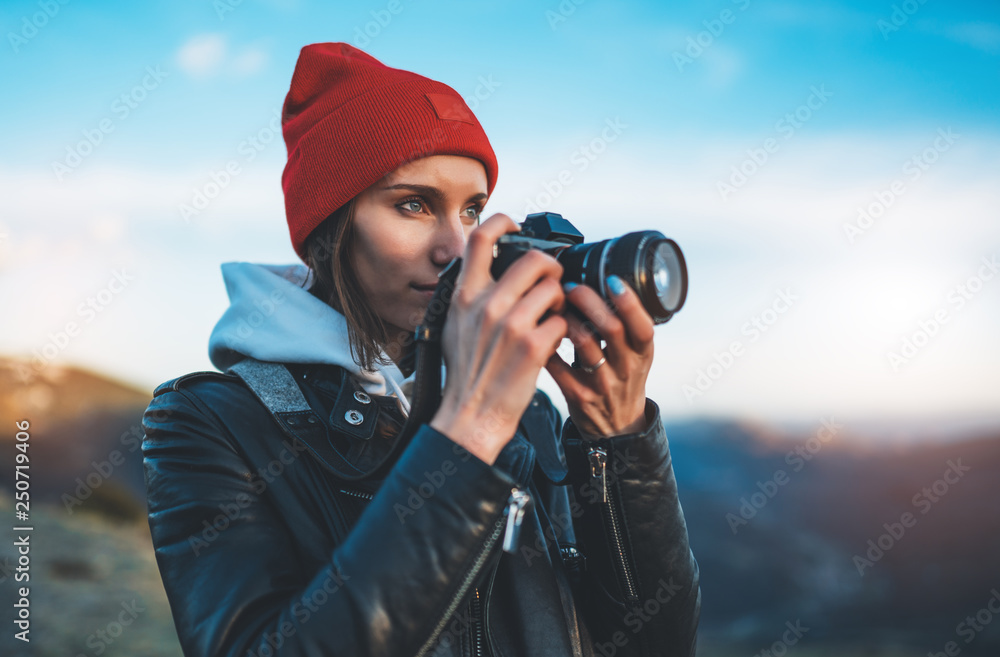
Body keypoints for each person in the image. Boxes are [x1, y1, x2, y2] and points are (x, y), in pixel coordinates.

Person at [141, 42, 700, 657]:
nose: (457, 249)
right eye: (413, 204)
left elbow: (650, 643)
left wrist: (618, 442)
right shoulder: (211, 422)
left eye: (473, 210)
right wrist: (469, 430)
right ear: (331, 226)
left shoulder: (531, 412)